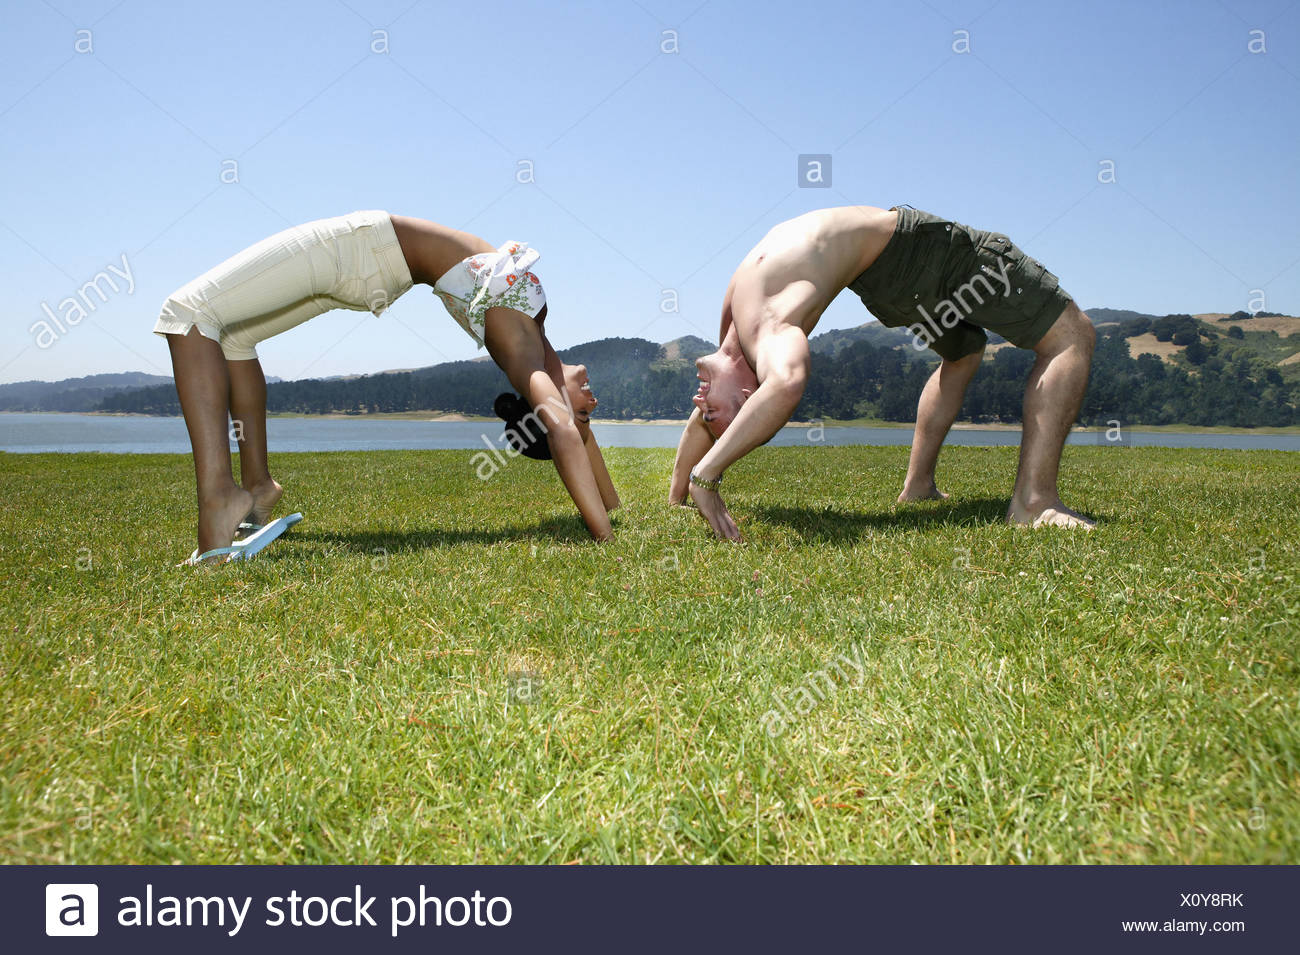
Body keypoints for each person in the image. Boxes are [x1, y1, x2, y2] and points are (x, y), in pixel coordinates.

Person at [154, 211, 619, 562]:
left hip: (363, 251)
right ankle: (257, 486)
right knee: (236, 337)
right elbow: (575, 436)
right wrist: (601, 481)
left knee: (187, 312)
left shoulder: (521, 352)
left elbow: (561, 429)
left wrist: (604, 539)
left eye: (585, 410)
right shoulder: (537, 335)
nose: (592, 400)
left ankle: (218, 498)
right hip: (373, 265)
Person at [669, 204, 1096, 540]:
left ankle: (918, 486)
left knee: (963, 351)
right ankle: (1034, 503)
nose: (700, 403)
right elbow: (785, 383)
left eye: (707, 410)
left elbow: (715, 409)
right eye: (713, 416)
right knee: (1071, 334)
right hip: (909, 254)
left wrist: (681, 493)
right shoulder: (765, 326)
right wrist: (705, 478)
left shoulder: (735, 335)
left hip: (883, 282)